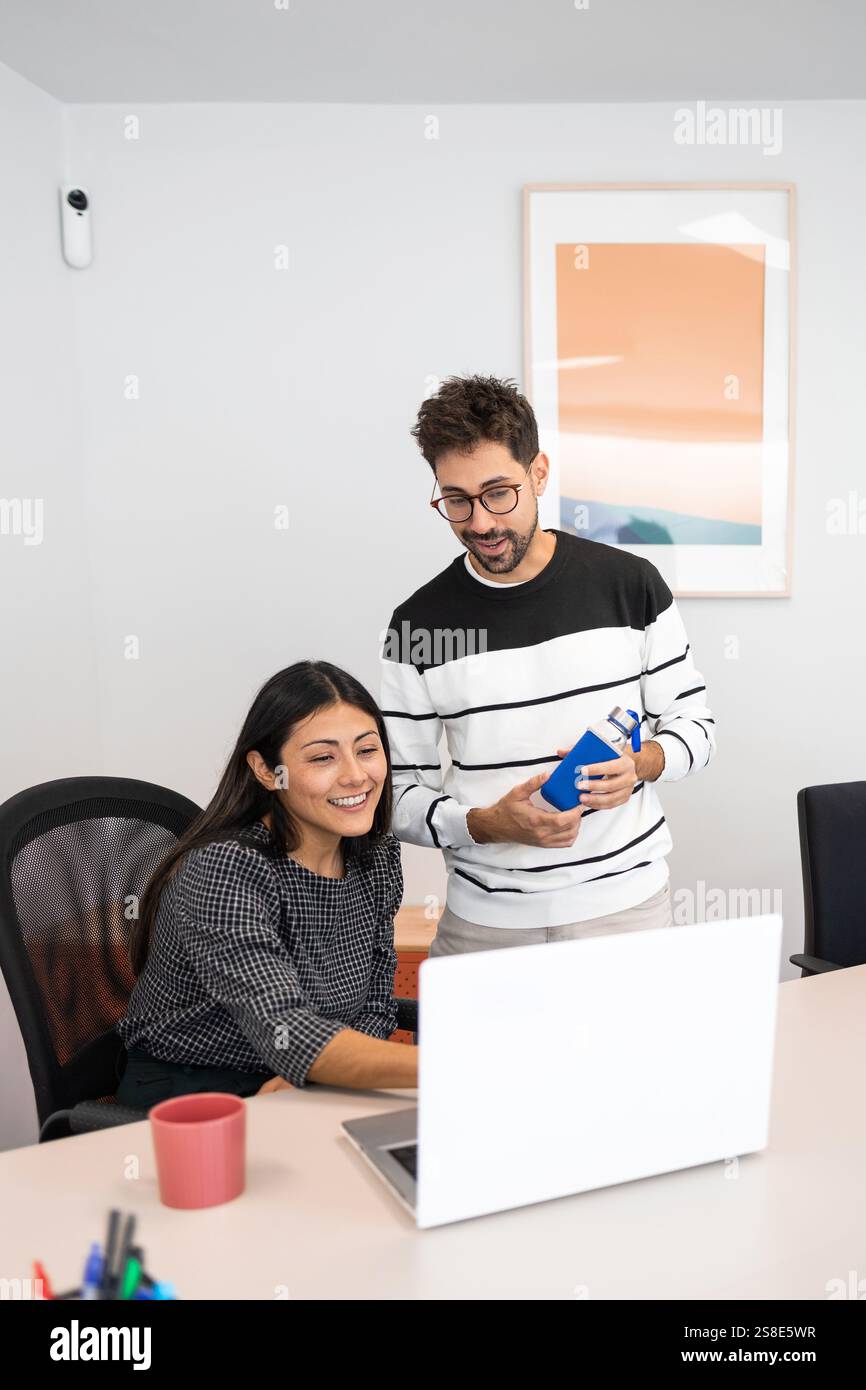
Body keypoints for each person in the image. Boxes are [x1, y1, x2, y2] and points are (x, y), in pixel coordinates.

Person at [379, 375, 717, 955]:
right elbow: (396, 794)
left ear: (538, 474)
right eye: (456, 499)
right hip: (485, 925)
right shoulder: (417, 627)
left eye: (498, 493)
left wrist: (642, 763)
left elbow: (697, 729)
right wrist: (488, 824)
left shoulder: (630, 585)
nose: (480, 522)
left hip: (625, 914)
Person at [115, 661, 416, 1107]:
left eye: (367, 750)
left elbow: (373, 1006)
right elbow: (288, 1031)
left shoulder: (374, 856)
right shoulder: (225, 869)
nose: (356, 775)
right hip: (190, 1089)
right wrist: (459, 1066)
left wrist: (320, 1076)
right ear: (265, 770)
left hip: (306, 1077)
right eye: (323, 757)